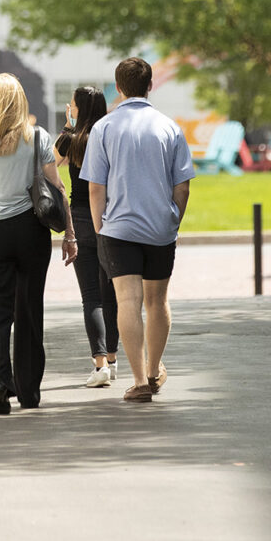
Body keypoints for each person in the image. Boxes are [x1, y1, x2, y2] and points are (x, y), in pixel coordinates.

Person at [80, 57, 193, 403]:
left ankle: (139, 378)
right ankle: (156, 369)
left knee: (127, 301)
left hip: (118, 229)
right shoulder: (169, 128)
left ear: (118, 88)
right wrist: (173, 218)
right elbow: (183, 186)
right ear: (150, 85)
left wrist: (101, 228)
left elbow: (96, 187)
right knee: (157, 301)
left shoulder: (104, 128)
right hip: (160, 228)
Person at [0, 74, 75, 414]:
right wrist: (70, 234)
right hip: (30, 231)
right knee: (29, 310)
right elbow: (56, 188)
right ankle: (29, 391)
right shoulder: (39, 137)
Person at [54, 85, 118, 387]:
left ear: (78, 108)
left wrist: (67, 127)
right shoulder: (110, 135)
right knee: (113, 292)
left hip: (80, 218)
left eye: (73, 104)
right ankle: (115, 360)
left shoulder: (71, 140)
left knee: (90, 295)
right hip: (110, 217)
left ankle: (100, 363)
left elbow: (49, 165)